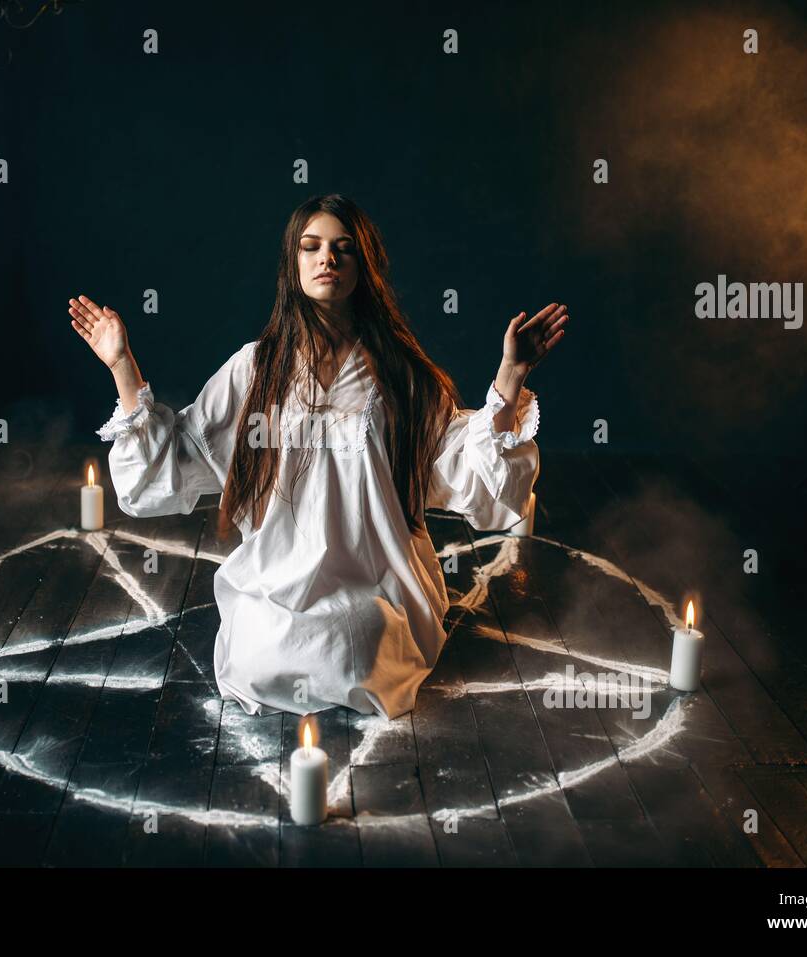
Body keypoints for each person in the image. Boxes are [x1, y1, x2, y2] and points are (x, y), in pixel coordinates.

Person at [68, 194, 568, 719]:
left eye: (343, 249)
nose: (326, 258)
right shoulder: (255, 368)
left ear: (363, 267)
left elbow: (469, 472)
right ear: (295, 264)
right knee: (259, 657)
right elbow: (173, 459)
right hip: (278, 582)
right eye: (311, 247)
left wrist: (512, 375)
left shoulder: (399, 374)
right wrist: (122, 365)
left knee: (362, 654)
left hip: (374, 583)